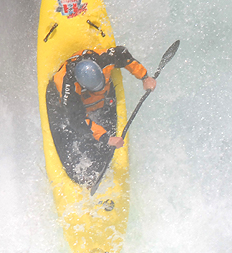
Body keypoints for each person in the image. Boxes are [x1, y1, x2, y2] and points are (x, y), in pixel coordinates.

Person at [46, 46, 156, 186]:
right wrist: (106, 138)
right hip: (73, 106)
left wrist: (144, 77)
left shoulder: (104, 59)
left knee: (104, 105)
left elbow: (123, 54)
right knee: (74, 131)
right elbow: (77, 121)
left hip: (97, 97)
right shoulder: (69, 88)